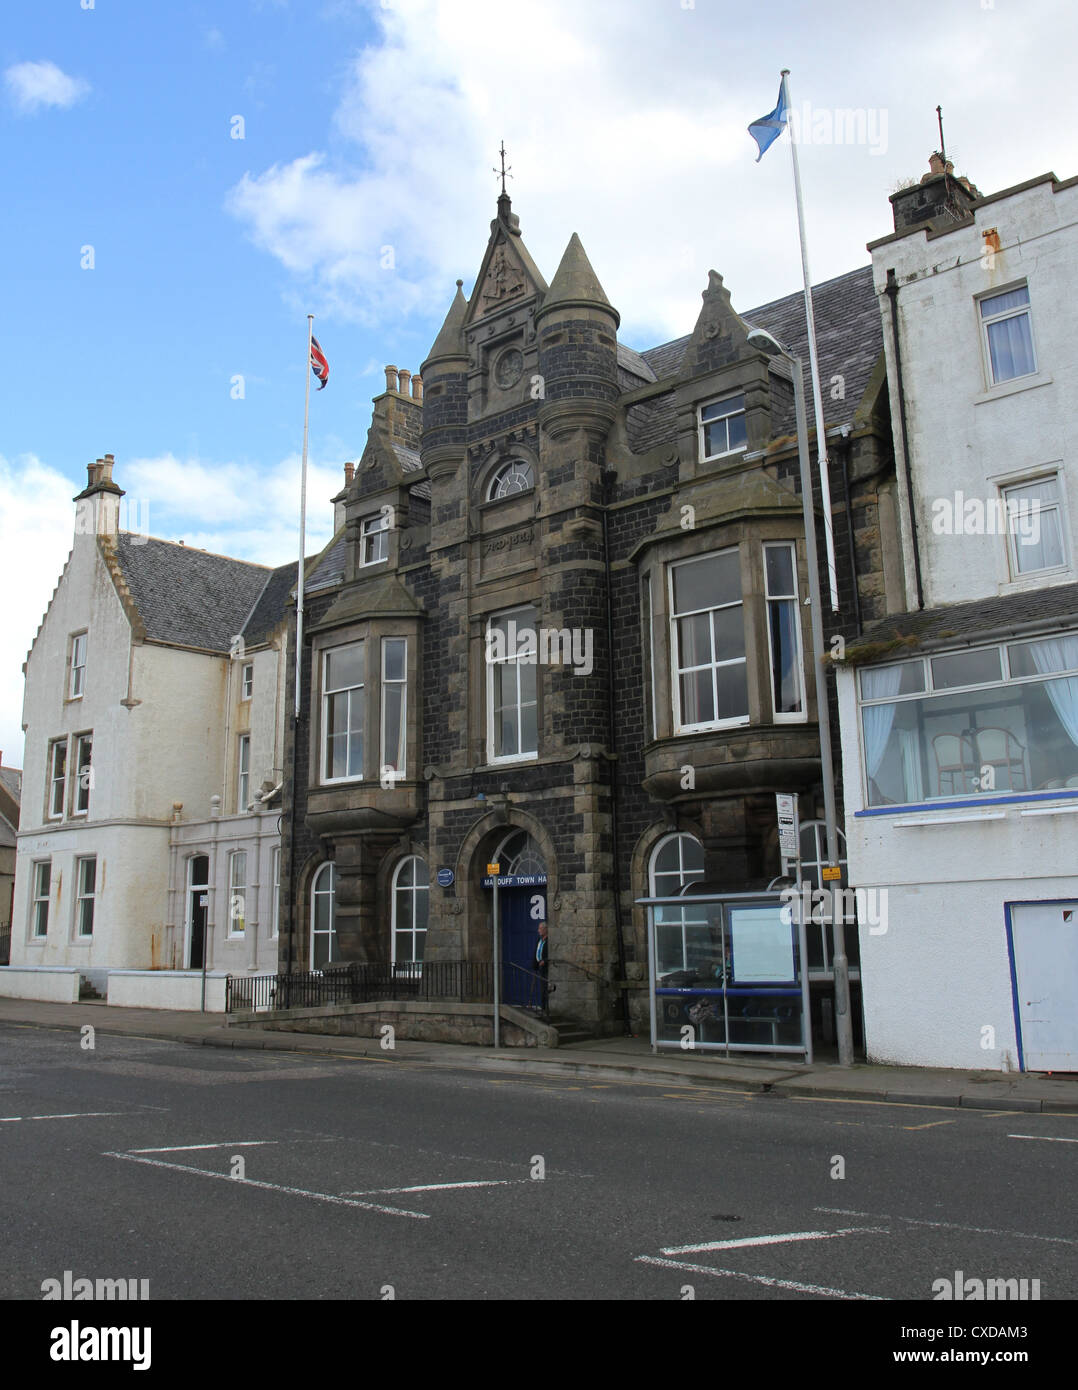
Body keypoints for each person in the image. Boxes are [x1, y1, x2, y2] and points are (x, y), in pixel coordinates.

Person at [534, 921, 549, 1013]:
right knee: (542, 987)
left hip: (546, 967)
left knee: (546, 987)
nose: (538, 930)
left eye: (540, 928)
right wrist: (535, 964)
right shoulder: (539, 940)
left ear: (545, 929)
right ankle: (543, 1006)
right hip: (540, 967)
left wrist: (545, 961)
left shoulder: (548, 941)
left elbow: (551, 953)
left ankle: (545, 1007)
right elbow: (536, 952)